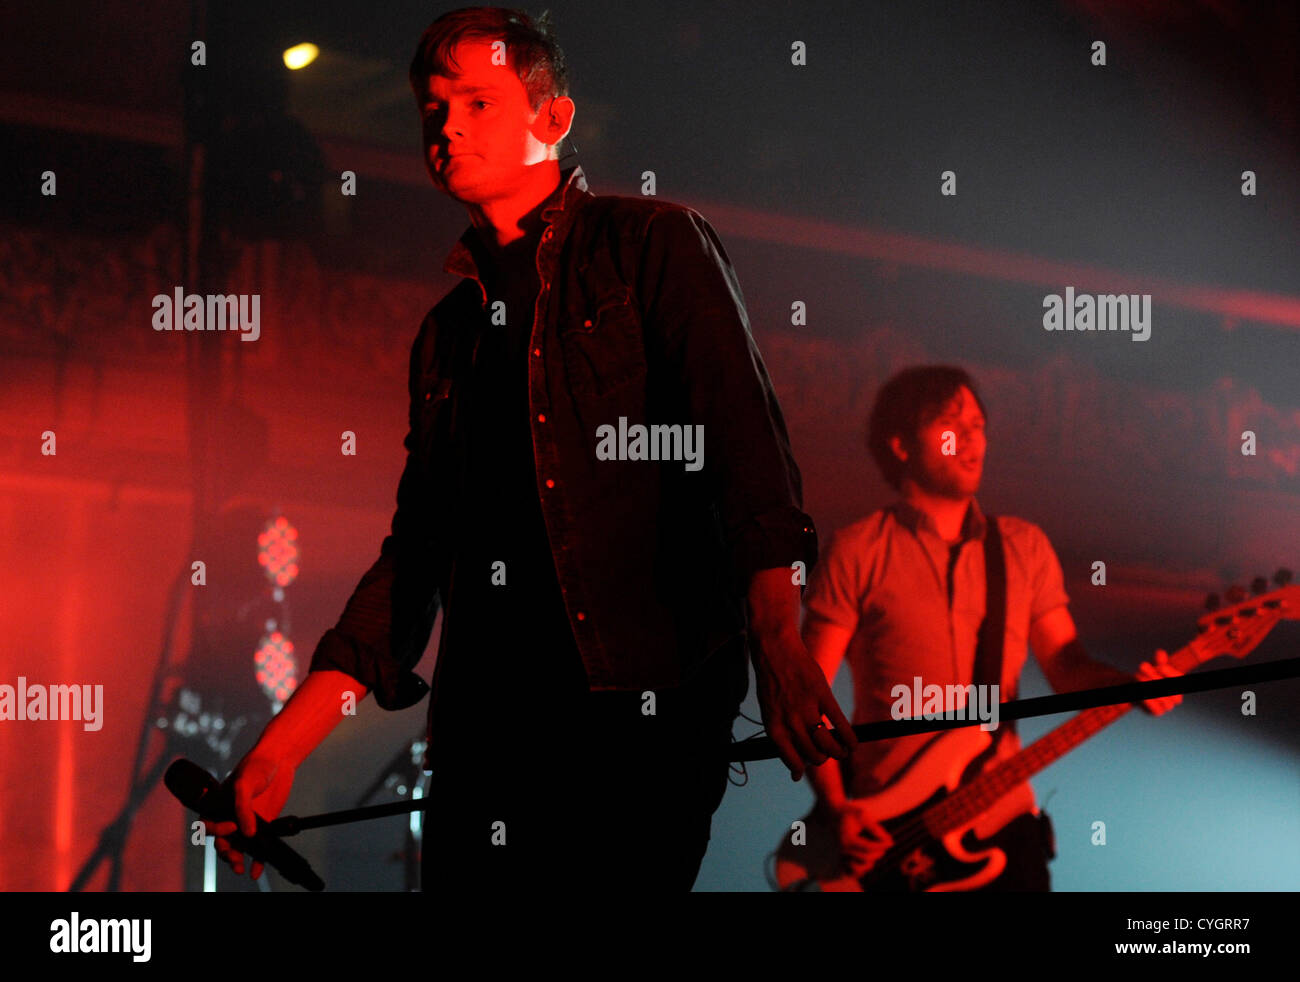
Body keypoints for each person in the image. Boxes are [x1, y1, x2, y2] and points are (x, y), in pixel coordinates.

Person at [204, 6, 855, 892]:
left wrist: (780, 641)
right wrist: (284, 746)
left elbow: (745, 451)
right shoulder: (448, 335)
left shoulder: (651, 246)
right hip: (487, 741)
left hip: (639, 723)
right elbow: (418, 557)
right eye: (434, 108)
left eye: (477, 101)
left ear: (553, 119)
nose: (448, 126)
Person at [797, 365, 1181, 890]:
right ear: (901, 444)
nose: (974, 435)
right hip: (885, 839)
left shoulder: (1022, 547)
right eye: (952, 421)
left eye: (979, 422)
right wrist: (837, 807)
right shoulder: (857, 551)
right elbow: (808, 696)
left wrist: (1127, 687)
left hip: (1004, 822)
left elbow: (1067, 664)